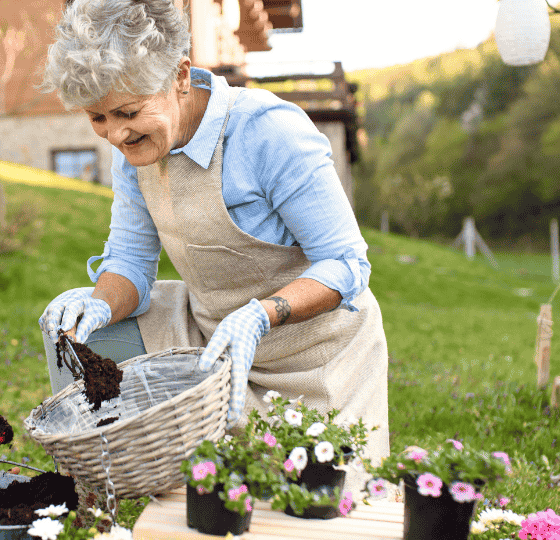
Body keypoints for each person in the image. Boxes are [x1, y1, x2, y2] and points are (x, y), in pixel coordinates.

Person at [37, 0, 389, 463]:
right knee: (79, 325)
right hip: (212, 339)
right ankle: (109, 474)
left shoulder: (267, 131)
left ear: (180, 76)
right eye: (97, 118)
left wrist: (261, 316)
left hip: (314, 357)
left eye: (128, 112)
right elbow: (129, 263)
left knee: (316, 499)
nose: (116, 135)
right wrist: (99, 305)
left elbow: (347, 263)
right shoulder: (135, 151)